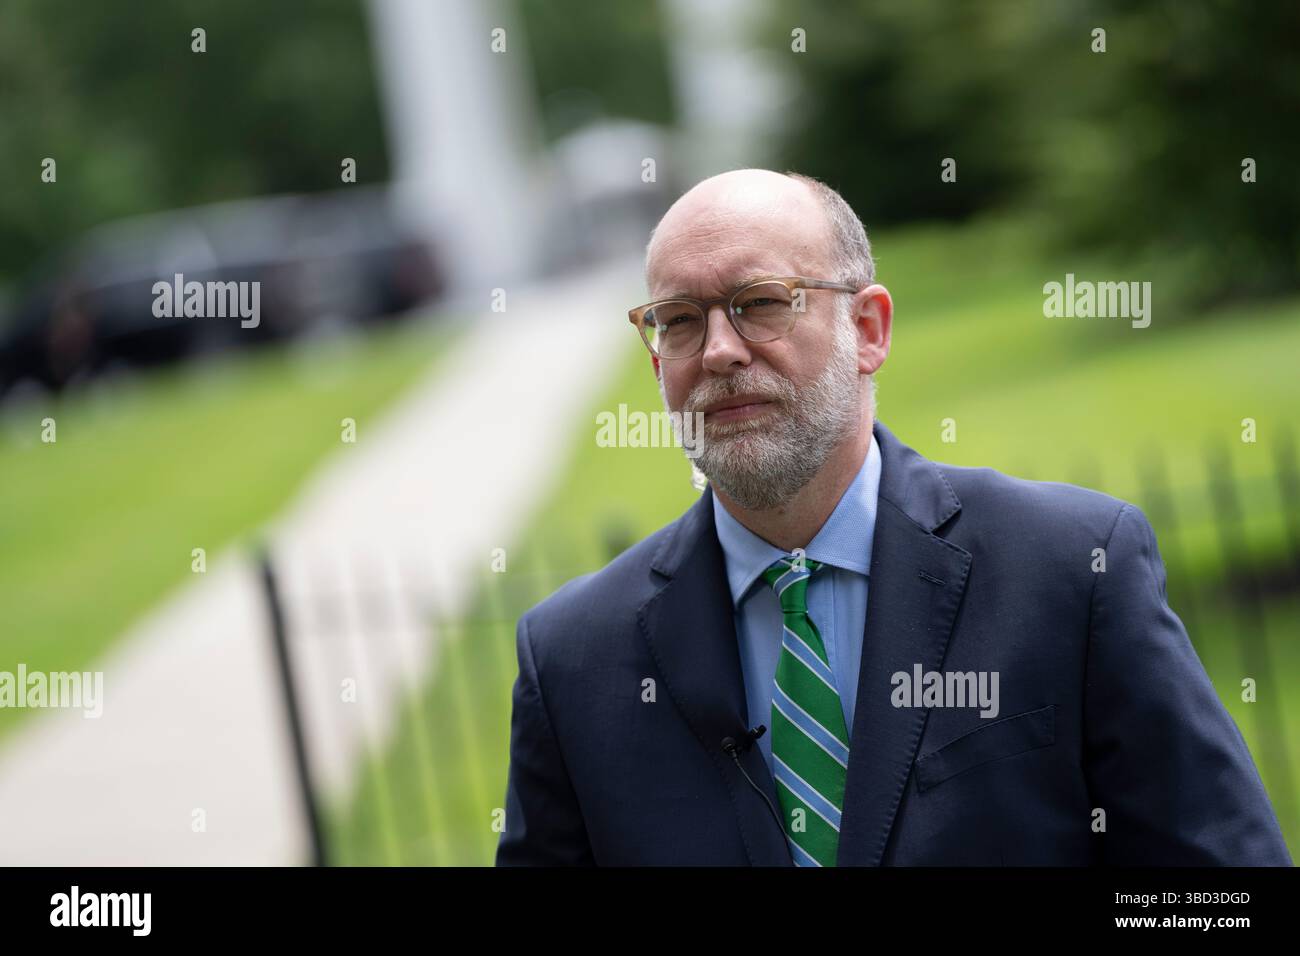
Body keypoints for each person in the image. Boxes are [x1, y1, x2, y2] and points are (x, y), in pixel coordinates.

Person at [495, 168, 1292, 866]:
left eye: (760, 303)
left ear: (867, 329)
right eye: (679, 319)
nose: (719, 351)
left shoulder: (1070, 568)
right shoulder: (573, 663)